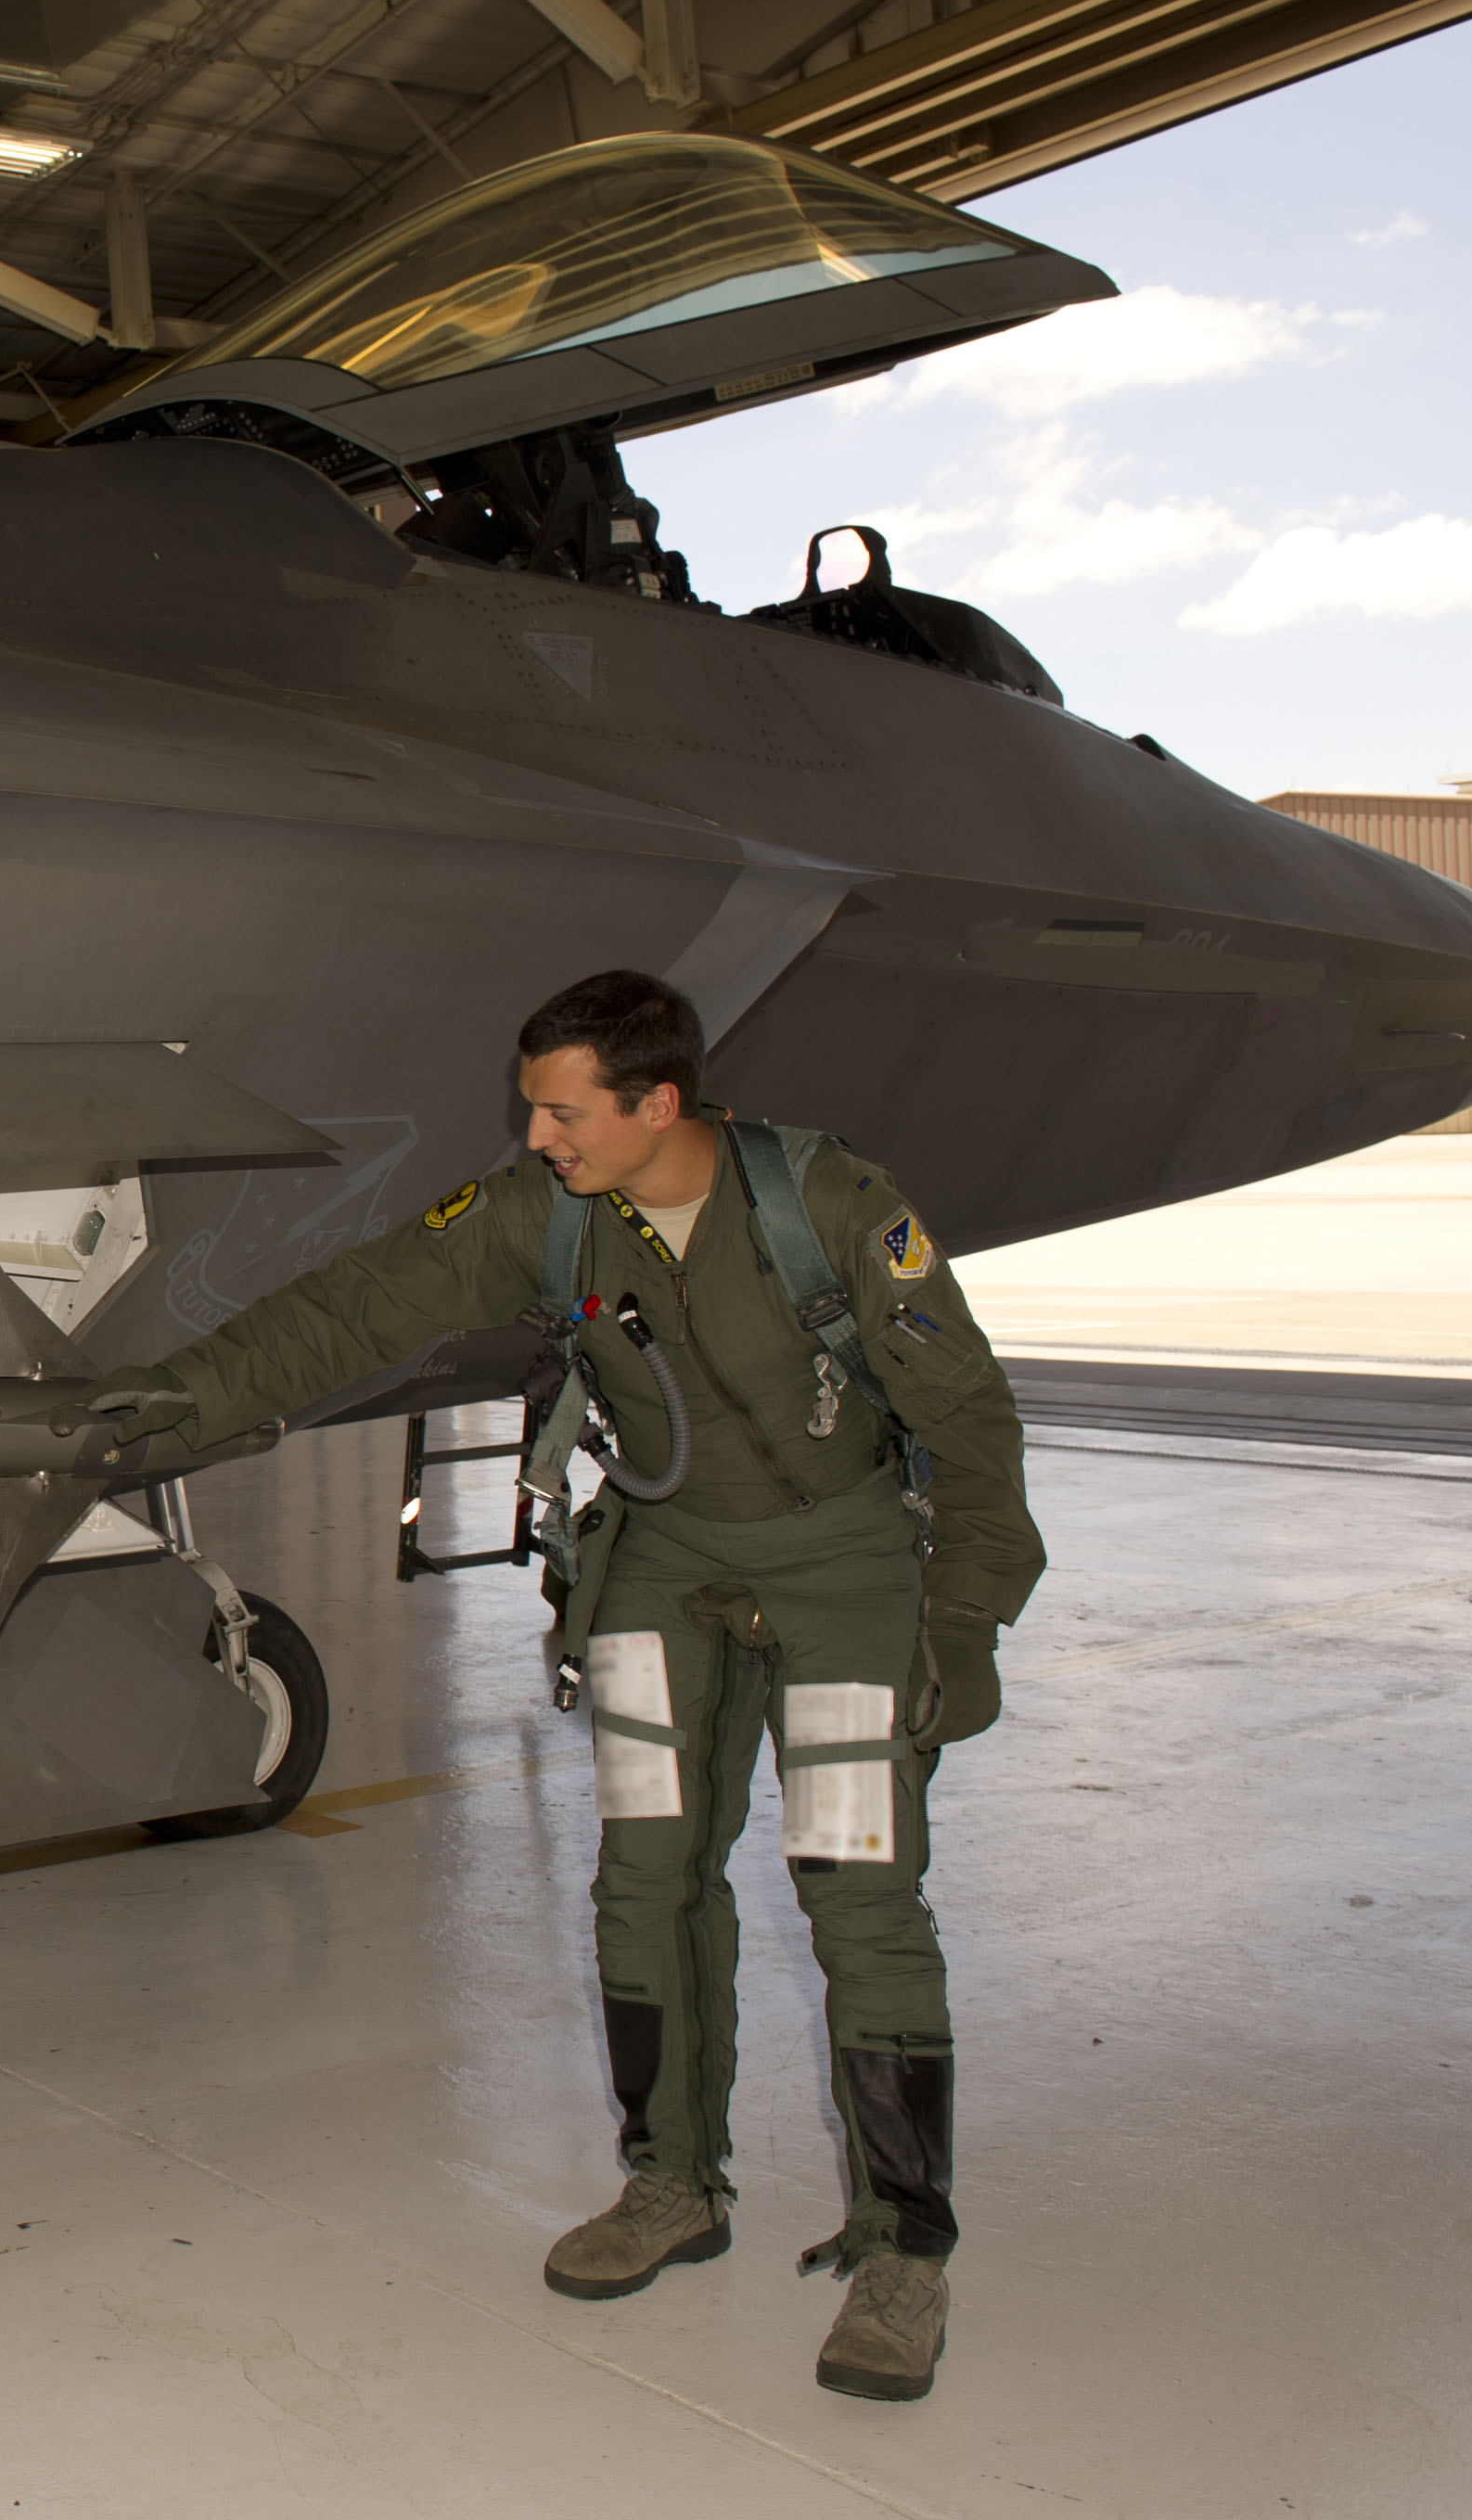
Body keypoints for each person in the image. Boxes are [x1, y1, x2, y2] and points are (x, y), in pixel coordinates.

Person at [95, 969, 1039, 2403]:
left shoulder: (833, 1209)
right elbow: (360, 1306)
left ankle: (906, 2250)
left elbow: (969, 1424)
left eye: (560, 1111)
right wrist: (180, 1401)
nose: (536, 1137)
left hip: (844, 1573)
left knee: (858, 1895)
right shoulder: (545, 1219)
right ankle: (673, 2185)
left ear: (657, 1104)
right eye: (532, 1109)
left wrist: (958, 1629)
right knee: (645, 1879)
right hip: (660, 1566)